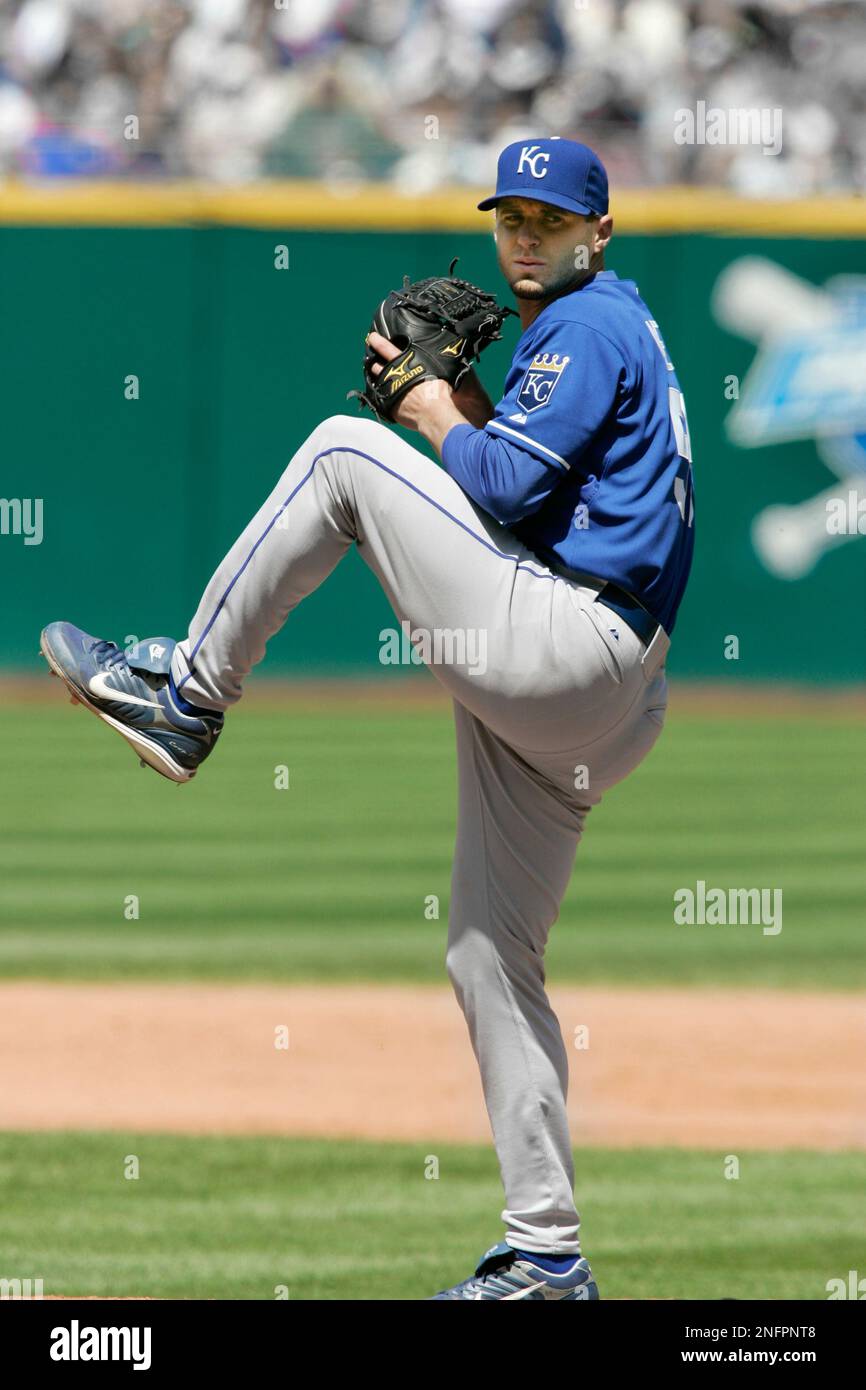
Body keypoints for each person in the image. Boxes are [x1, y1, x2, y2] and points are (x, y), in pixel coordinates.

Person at [41, 136, 694, 1301]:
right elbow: (536, 499)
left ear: (600, 231)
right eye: (511, 218)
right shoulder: (610, 327)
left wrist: (436, 404)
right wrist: (473, 407)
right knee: (489, 953)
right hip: (604, 687)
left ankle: (187, 692)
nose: (526, 236)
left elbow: (496, 490)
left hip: (568, 644)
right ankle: (545, 1257)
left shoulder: (587, 327)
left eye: (551, 219)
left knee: (346, 450)